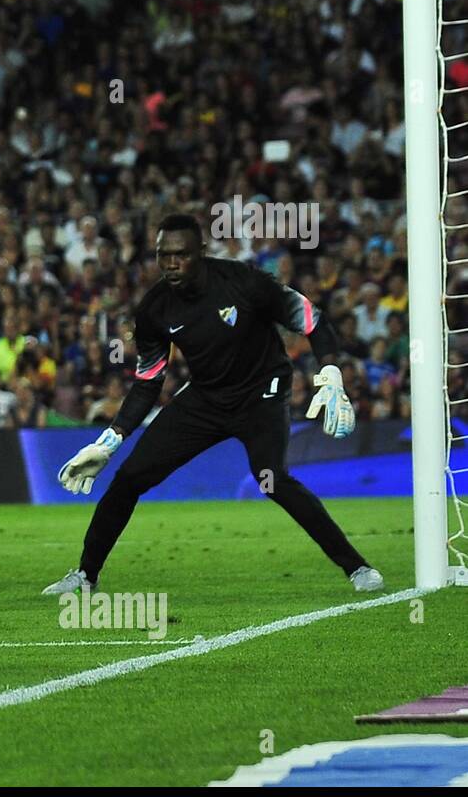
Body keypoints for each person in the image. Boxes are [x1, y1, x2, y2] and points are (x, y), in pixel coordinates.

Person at [47, 213, 383, 595]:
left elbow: (312, 322)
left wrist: (331, 374)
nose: (172, 264)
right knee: (128, 479)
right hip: (205, 398)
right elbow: (148, 382)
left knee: (272, 479)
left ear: (201, 253)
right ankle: (85, 576)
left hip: (262, 393)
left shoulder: (245, 282)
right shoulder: (155, 309)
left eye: (181, 255)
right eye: (163, 255)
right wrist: (110, 440)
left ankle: (357, 568)